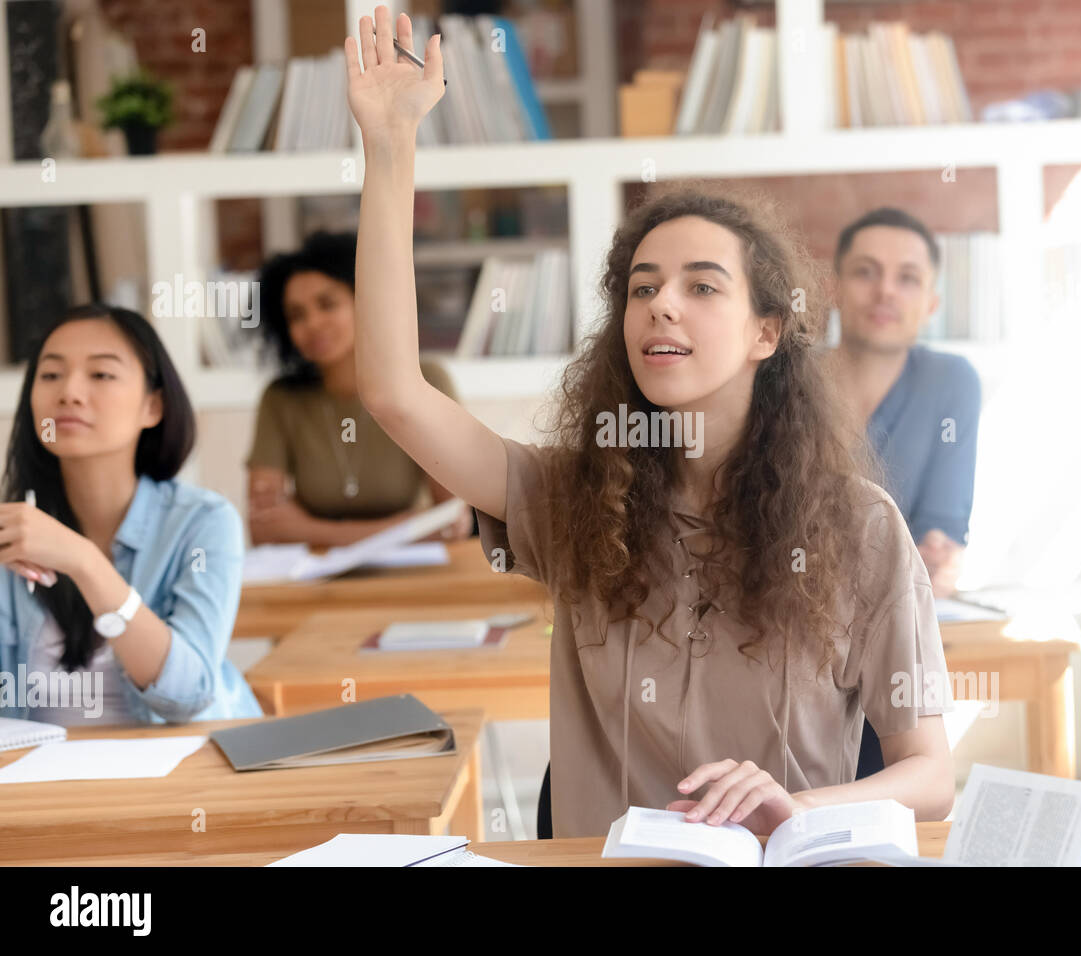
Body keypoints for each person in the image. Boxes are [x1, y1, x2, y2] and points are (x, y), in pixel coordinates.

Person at [342, 6, 955, 838]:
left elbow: (930, 775)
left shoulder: (863, 530)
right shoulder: (572, 499)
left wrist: (795, 807)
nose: (661, 304)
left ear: (765, 332)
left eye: (702, 287)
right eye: (642, 287)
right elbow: (392, 391)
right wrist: (391, 148)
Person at [0, 304, 261, 725]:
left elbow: (186, 695)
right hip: (37, 786)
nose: (70, 392)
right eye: (50, 375)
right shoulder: (11, 529)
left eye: (101, 374)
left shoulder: (203, 522)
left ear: (153, 406)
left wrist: (84, 562)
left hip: (181, 780)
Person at [246, 230, 473, 547]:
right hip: (315, 580)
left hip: (411, 577)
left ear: (364, 301)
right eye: (297, 315)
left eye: (327, 304)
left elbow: (452, 520)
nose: (312, 323)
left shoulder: (425, 381)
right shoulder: (280, 398)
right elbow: (265, 528)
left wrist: (306, 529)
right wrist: (405, 528)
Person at [826, 207, 982, 599]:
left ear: (932, 303)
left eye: (908, 278)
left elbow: (942, 532)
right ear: (834, 288)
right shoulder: (783, 380)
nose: (886, 291)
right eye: (865, 272)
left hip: (899, 615)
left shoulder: (952, 382)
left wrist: (939, 555)